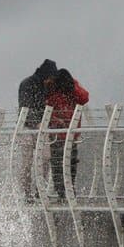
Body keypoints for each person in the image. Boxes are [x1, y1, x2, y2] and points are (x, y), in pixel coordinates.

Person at [43, 68, 90, 199]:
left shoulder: (54, 91)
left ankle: (63, 191)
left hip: (60, 132)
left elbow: (46, 109)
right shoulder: (68, 91)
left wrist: (55, 120)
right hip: (67, 132)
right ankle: (68, 190)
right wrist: (74, 85)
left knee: (59, 163)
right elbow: (84, 97)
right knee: (68, 162)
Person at [17, 60, 58, 201]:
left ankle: (39, 190)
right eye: (51, 77)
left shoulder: (41, 85)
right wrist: (37, 122)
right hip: (28, 127)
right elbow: (26, 106)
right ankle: (27, 192)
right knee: (28, 161)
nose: (51, 81)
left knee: (44, 158)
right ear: (47, 74)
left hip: (38, 125)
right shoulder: (29, 84)